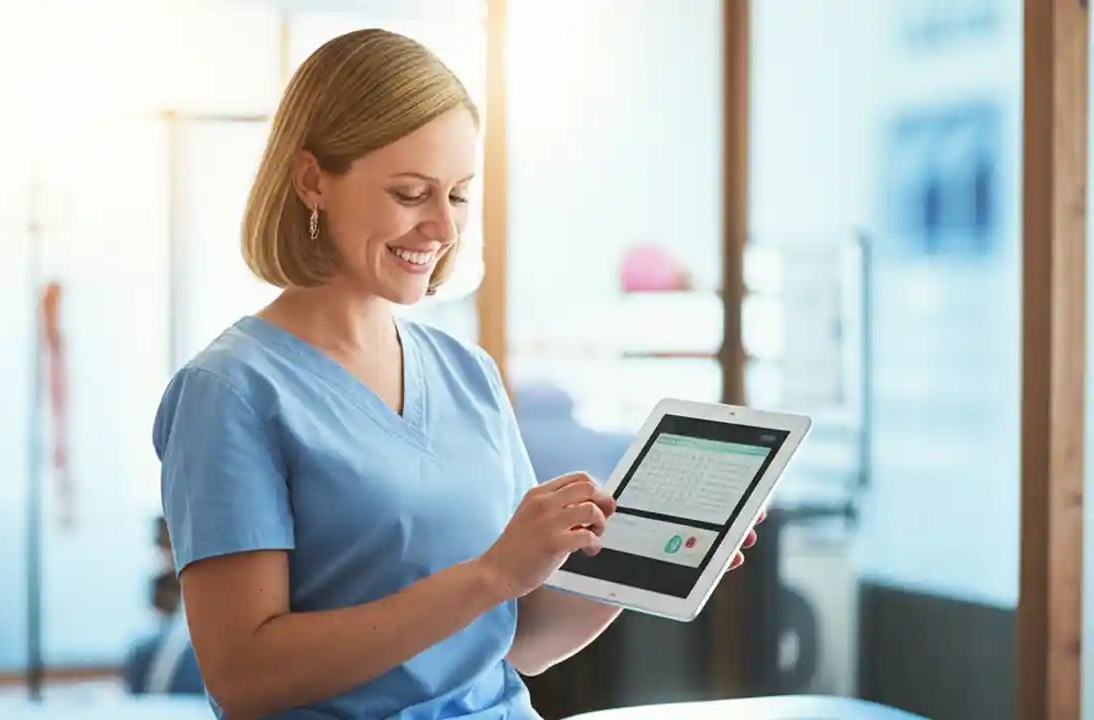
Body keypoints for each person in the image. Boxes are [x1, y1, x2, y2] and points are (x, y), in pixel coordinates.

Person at [152, 29, 763, 720]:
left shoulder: (465, 374)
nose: (442, 226)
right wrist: (491, 574)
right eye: (411, 193)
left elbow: (513, 642)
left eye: (460, 195)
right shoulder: (231, 392)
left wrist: (643, 568)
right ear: (313, 180)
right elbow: (245, 675)